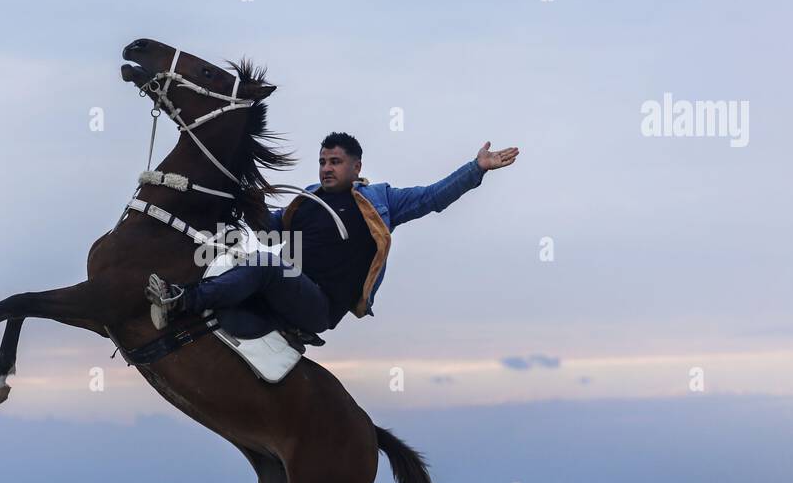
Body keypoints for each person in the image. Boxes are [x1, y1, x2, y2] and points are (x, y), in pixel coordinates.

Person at [146, 131, 519, 332]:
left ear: (356, 168)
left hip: (321, 306)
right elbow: (267, 232)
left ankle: (180, 300)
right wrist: (249, 204)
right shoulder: (305, 201)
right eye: (323, 161)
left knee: (264, 265)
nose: (326, 168)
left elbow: (433, 198)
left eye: (336, 162)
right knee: (233, 256)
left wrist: (476, 169)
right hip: (286, 288)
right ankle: (180, 310)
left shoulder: (381, 201)